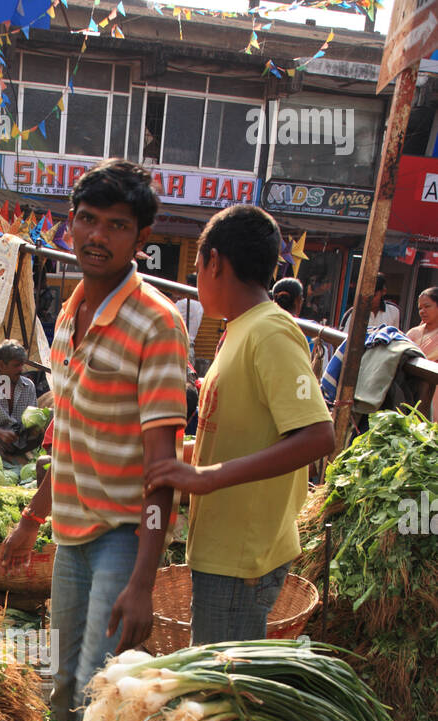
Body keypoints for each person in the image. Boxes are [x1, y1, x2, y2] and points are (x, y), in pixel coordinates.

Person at [1, 159, 188, 721]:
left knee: (96, 686)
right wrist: (34, 518)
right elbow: (67, 434)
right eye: (87, 220)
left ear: (142, 239)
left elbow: (163, 468)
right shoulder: (67, 314)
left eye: (116, 225)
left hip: (122, 537)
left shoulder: (157, 323)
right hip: (72, 534)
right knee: (58, 675)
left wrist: (143, 580)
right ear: (70, 223)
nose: (97, 236)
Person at [139, 204, 335, 645]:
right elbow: (234, 438)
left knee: (219, 695)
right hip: (221, 555)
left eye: (196, 269)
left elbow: (318, 434)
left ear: (215, 261)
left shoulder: (271, 332)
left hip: (241, 563)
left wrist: (207, 477)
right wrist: (178, 460)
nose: (196, 281)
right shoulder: (239, 330)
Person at [0, 341, 42, 468]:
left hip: (22, 442)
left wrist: (35, 424)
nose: (21, 370)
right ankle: (11, 461)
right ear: (2, 365)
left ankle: (18, 460)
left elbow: (33, 420)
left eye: (22, 365)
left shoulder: (28, 386)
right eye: (16, 365)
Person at [406, 287, 438, 421]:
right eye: (420, 308)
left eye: (427, 306)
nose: (422, 311)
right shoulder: (413, 333)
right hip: (412, 392)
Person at [174, 273, 203, 363]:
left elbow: (167, 311)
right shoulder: (201, 304)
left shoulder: (183, 303)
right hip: (190, 347)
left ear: (189, 285)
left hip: (180, 347)